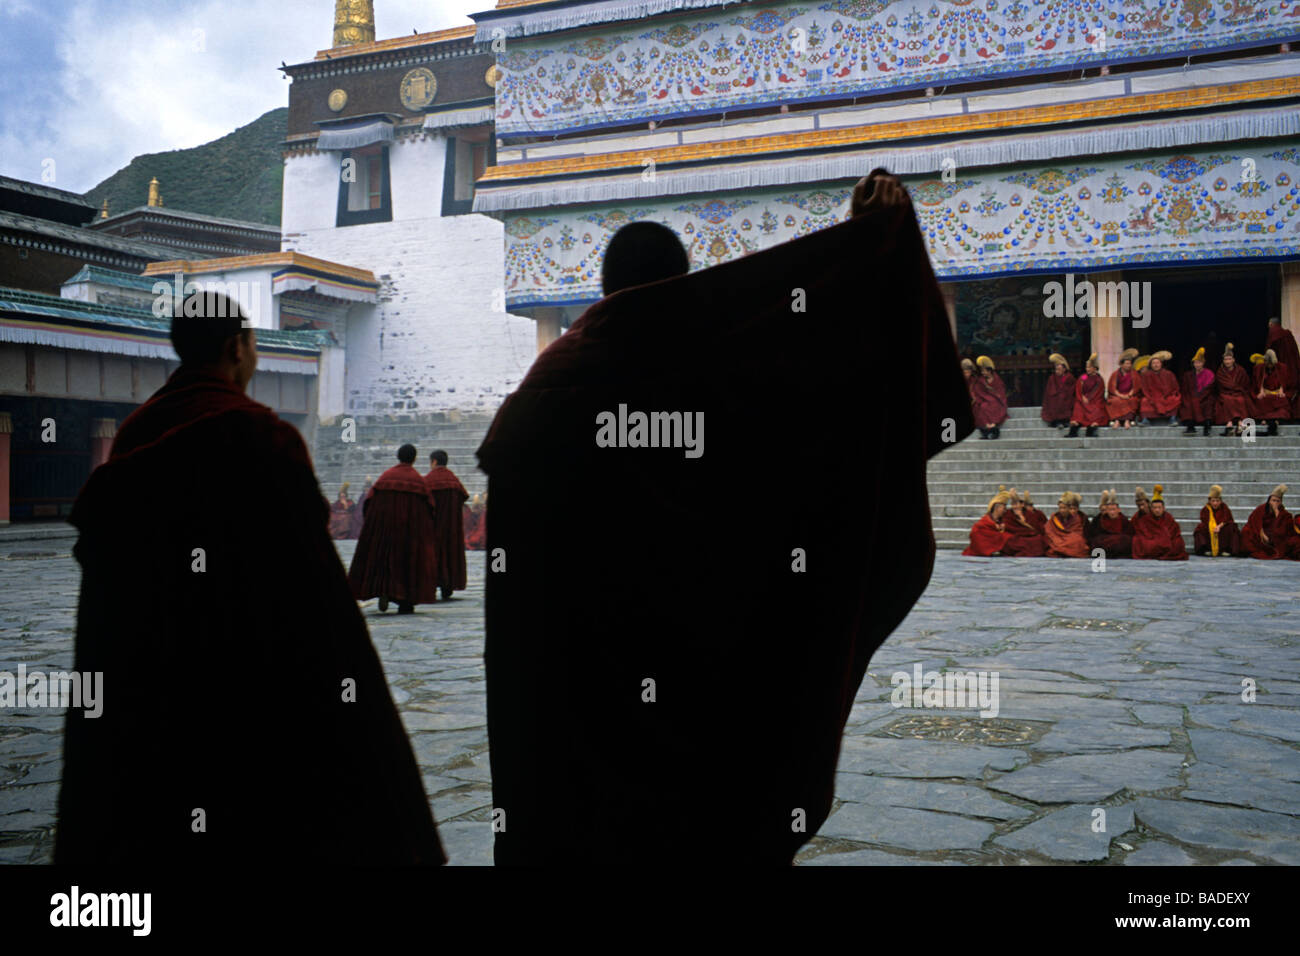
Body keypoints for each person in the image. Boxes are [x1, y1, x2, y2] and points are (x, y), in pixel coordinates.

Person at [475, 168, 973, 865]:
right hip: (706, 684)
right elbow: (828, 400)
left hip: (572, 691)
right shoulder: (717, 371)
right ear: (682, 280)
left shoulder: (549, 384)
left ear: (604, 287)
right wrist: (874, 242)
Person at [58, 292, 443, 865]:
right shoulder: (262, 436)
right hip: (251, 670)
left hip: (156, 671)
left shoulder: (136, 434)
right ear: (237, 348)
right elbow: (312, 589)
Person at [348, 444, 439, 614]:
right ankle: (405, 602)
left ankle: (384, 591)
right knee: (406, 564)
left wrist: (373, 524)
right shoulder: (418, 481)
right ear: (414, 459)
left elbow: (369, 502)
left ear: (398, 457)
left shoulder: (385, 477)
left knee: (384, 561)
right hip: (409, 533)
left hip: (385, 530)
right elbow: (430, 508)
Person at [425, 449, 469, 601]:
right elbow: (464, 496)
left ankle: (431, 584)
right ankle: (448, 585)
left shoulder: (428, 480)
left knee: (433, 554)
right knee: (450, 554)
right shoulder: (454, 481)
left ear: (434, 462)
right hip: (452, 528)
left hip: (433, 527)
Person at [1131, 484, 1188, 560]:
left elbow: (1175, 530)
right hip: (1152, 539)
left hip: (1166, 539)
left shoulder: (1168, 517)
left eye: (1159, 507)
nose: (1157, 510)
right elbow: (1142, 532)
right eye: (1155, 508)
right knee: (1139, 541)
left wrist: (1166, 535)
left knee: (1178, 542)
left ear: (1163, 508)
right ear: (1152, 508)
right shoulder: (1145, 518)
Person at [1241, 484, 1294, 560]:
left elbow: (1282, 530)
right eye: (1273, 500)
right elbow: (1253, 522)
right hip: (1260, 534)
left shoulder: (1285, 514)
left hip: (1273, 537)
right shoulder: (1261, 509)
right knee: (1246, 531)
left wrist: (1277, 513)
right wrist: (1261, 532)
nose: (1275, 503)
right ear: (1269, 501)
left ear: (1281, 502)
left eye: (1278, 501)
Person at [1265, 316, 1300, 419]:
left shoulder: (1274, 333)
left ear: (1271, 324)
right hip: (1291, 365)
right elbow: (1295, 351)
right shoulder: (1288, 334)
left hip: (1279, 365)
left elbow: (1269, 349)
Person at [1216, 343, 1254, 436]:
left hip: (1239, 392)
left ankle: (1240, 423)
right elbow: (1220, 384)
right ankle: (1229, 423)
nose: (1227, 361)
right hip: (1225, 393)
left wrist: (1238, 389)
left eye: (1229, 359)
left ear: (1233, 360)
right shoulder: (1220, 371)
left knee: (1241, 400)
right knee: (1227, 399)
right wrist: (1233, 387)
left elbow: (1245, 383)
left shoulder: (1240, 370)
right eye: (1225, 359)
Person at [1193, 485, 1241, 557]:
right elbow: (1205, 520)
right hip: (1210, 529)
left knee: (1232, 527)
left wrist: (1219, 526)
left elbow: (1228, 519)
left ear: (1220, 501)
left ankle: (1225, 550)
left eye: (1217, 501)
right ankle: (1207, 549)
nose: (1215, 503)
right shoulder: (1206, 509)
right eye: (1213, 501)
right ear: (1209, 501)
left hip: (1221, 528)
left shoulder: (1224, 507)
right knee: (1200, 528)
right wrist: (1213, 526)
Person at [962, 487, 1013, 555]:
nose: (1005, 510)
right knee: (978, 534)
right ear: (997, 508)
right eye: (1003, 508)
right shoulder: (986, 519)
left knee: (1007, 538)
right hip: (988, 539)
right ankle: (990, 550)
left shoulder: (1004, 518)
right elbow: (976, 529)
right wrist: (995, 526)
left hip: (998, 539)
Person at [1067, 354, 1107, 438]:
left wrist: (1089, 398)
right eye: (1086, 367)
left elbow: (1099, 393)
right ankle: (1074, 427)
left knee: (1098, 409)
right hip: (1083, 400)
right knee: (1078, 406)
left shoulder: (1099, 379)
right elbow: (1079, 388)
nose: (1087, 369)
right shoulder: (1084, 377)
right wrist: (1082, 396)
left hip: (1095, 400)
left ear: (1095, 368)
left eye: (1089, 367)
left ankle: (1091, 428)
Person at [1086, 488, 1134, 558]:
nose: (1112, 512)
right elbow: (1093, 534)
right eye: (1110, 510)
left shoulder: (1123, 519)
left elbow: (1129, 534)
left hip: (1119, 541)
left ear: (1118, 510)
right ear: (1107, 511)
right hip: (1105, 541)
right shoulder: (1100, 519)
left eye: (1114, 509)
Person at [1252, 349, 1291, 436]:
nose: (1270, 366)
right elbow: (1257, 381)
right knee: (1260, 401)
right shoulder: (1259, 368)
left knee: (1283, 402)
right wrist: (1261, 390)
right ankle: (1270, 420)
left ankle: (1273, 421)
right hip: (1265, 394)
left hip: (1277, 394)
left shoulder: (1282, 367)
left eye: (1271, 364)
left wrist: (1282, 389)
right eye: (1268, 364)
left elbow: (1285, 381)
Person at [1179, 347, 1216, 436]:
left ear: (1203, 363)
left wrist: (1200, 396)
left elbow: (1210, 387)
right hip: (1192, 396)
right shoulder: (1188, 375)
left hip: (1205, 396)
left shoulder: (1209, 373)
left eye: (1199, 362)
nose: (1197, 365)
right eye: (1195, 363)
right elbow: (1185, 388)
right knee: (1187, 403)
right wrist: (1191, 396)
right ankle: (1190, 426)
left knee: (1208, 404)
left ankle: (1207, 427)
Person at [1139, 351, 1181, 425]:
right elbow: (1144, 388)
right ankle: (1145, 419)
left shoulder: (1168, 374)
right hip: (1152, 396)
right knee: (1144, 401)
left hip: (1166, 396)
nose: (1156, 365)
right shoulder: (1146, 375)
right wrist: (1150, 397)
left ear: (1161, 364)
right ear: (1151, 365)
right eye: (1153, 363)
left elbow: (1175, 386)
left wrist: (1170, 394)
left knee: (1174, 399)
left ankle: (1172, 419)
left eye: (1157, 363)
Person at [970, 355, 1008, 439]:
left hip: (996, 401)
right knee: (982, 407)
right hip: (984, 400)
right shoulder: (981, 380)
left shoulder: (997, 379)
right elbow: (978, 391)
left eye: (984, 371)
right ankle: (988, 428)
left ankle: (992, 427)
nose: (983, 373)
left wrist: (994, 398)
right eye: (981, 371)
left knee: (994, 405)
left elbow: (1000, 392)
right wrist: (982, 399)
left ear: (989, 371)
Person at [1001, 489, 1046, 556]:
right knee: (1007, 539)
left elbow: (1036, 528)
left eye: (1016, 504)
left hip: (1028, 536)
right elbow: (1007, 526)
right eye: (1012, 504)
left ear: (1022, 504)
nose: (1014, 507)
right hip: (1015, 536)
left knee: (1039, 539)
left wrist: (1023, 521)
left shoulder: (1029, 514)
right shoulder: (1008, 514)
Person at [1044, 491, 1090, 557]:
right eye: (1060, 508)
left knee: (1078, 540)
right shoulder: (1055, 518)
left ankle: (1062, 549)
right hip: (1058, 539)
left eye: (1064, 508)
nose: (1062, 510)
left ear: (1068, 508)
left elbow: (1078, 531)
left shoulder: (1076, 518)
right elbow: (1048, 530)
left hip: (1071, 539)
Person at [1106, 348, 1141, 428]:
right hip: (1117, 395)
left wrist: (1129, 394)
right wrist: (1120, 395)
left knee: (1132, 400)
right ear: (1121, 365)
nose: (1129, 365)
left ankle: (1127, 420)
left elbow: (1136, 386)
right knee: (1115, 401)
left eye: (1130, 364)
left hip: (1130, 395)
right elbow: (1112, 388)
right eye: (1126, 364)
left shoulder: (1134, 373)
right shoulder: (1115, 374)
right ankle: (1117, 420)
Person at [1040, 353, 1075, 428]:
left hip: (1066, 396)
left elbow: (1070, 388)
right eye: (1056, 369)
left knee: (1063, 399)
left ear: (1064, 369)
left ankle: (1065, 420)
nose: (1057, 371)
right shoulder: (1052, 377)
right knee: (1056, 400)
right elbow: (1050, 389)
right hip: (1055, 396)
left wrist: (1062, 393)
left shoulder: (1068, 377)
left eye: (1059, 369)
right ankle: (1056, 421)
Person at [349, 475, 373, 540]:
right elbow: (360, 505)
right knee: (356, 516)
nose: (367, 489)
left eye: (368, 488)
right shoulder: (363, 495)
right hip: (361, 510)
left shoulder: (371, 495)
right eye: (366, 488)